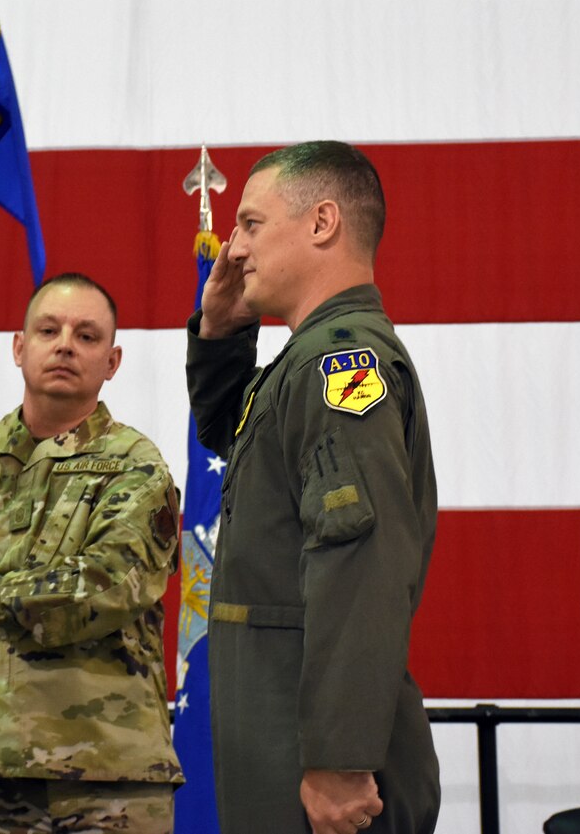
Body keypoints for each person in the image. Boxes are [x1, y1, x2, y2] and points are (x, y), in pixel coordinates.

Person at [186, 141, 441, 834]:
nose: (233, 248)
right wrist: (221, 333)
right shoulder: (305, 359)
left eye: (251, 223)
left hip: (317, 767)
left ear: (323, 222)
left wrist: (340, 755)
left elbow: (359, 563)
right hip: (285, 742)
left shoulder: (339, 364)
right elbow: (233, 448)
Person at [0, 273, 183, 834]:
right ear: (20, 347)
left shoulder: (135, 465)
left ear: (112, 361)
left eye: (87, 336)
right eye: (49, 329)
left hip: (108, 781)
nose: (66, 343)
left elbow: (112, 585)